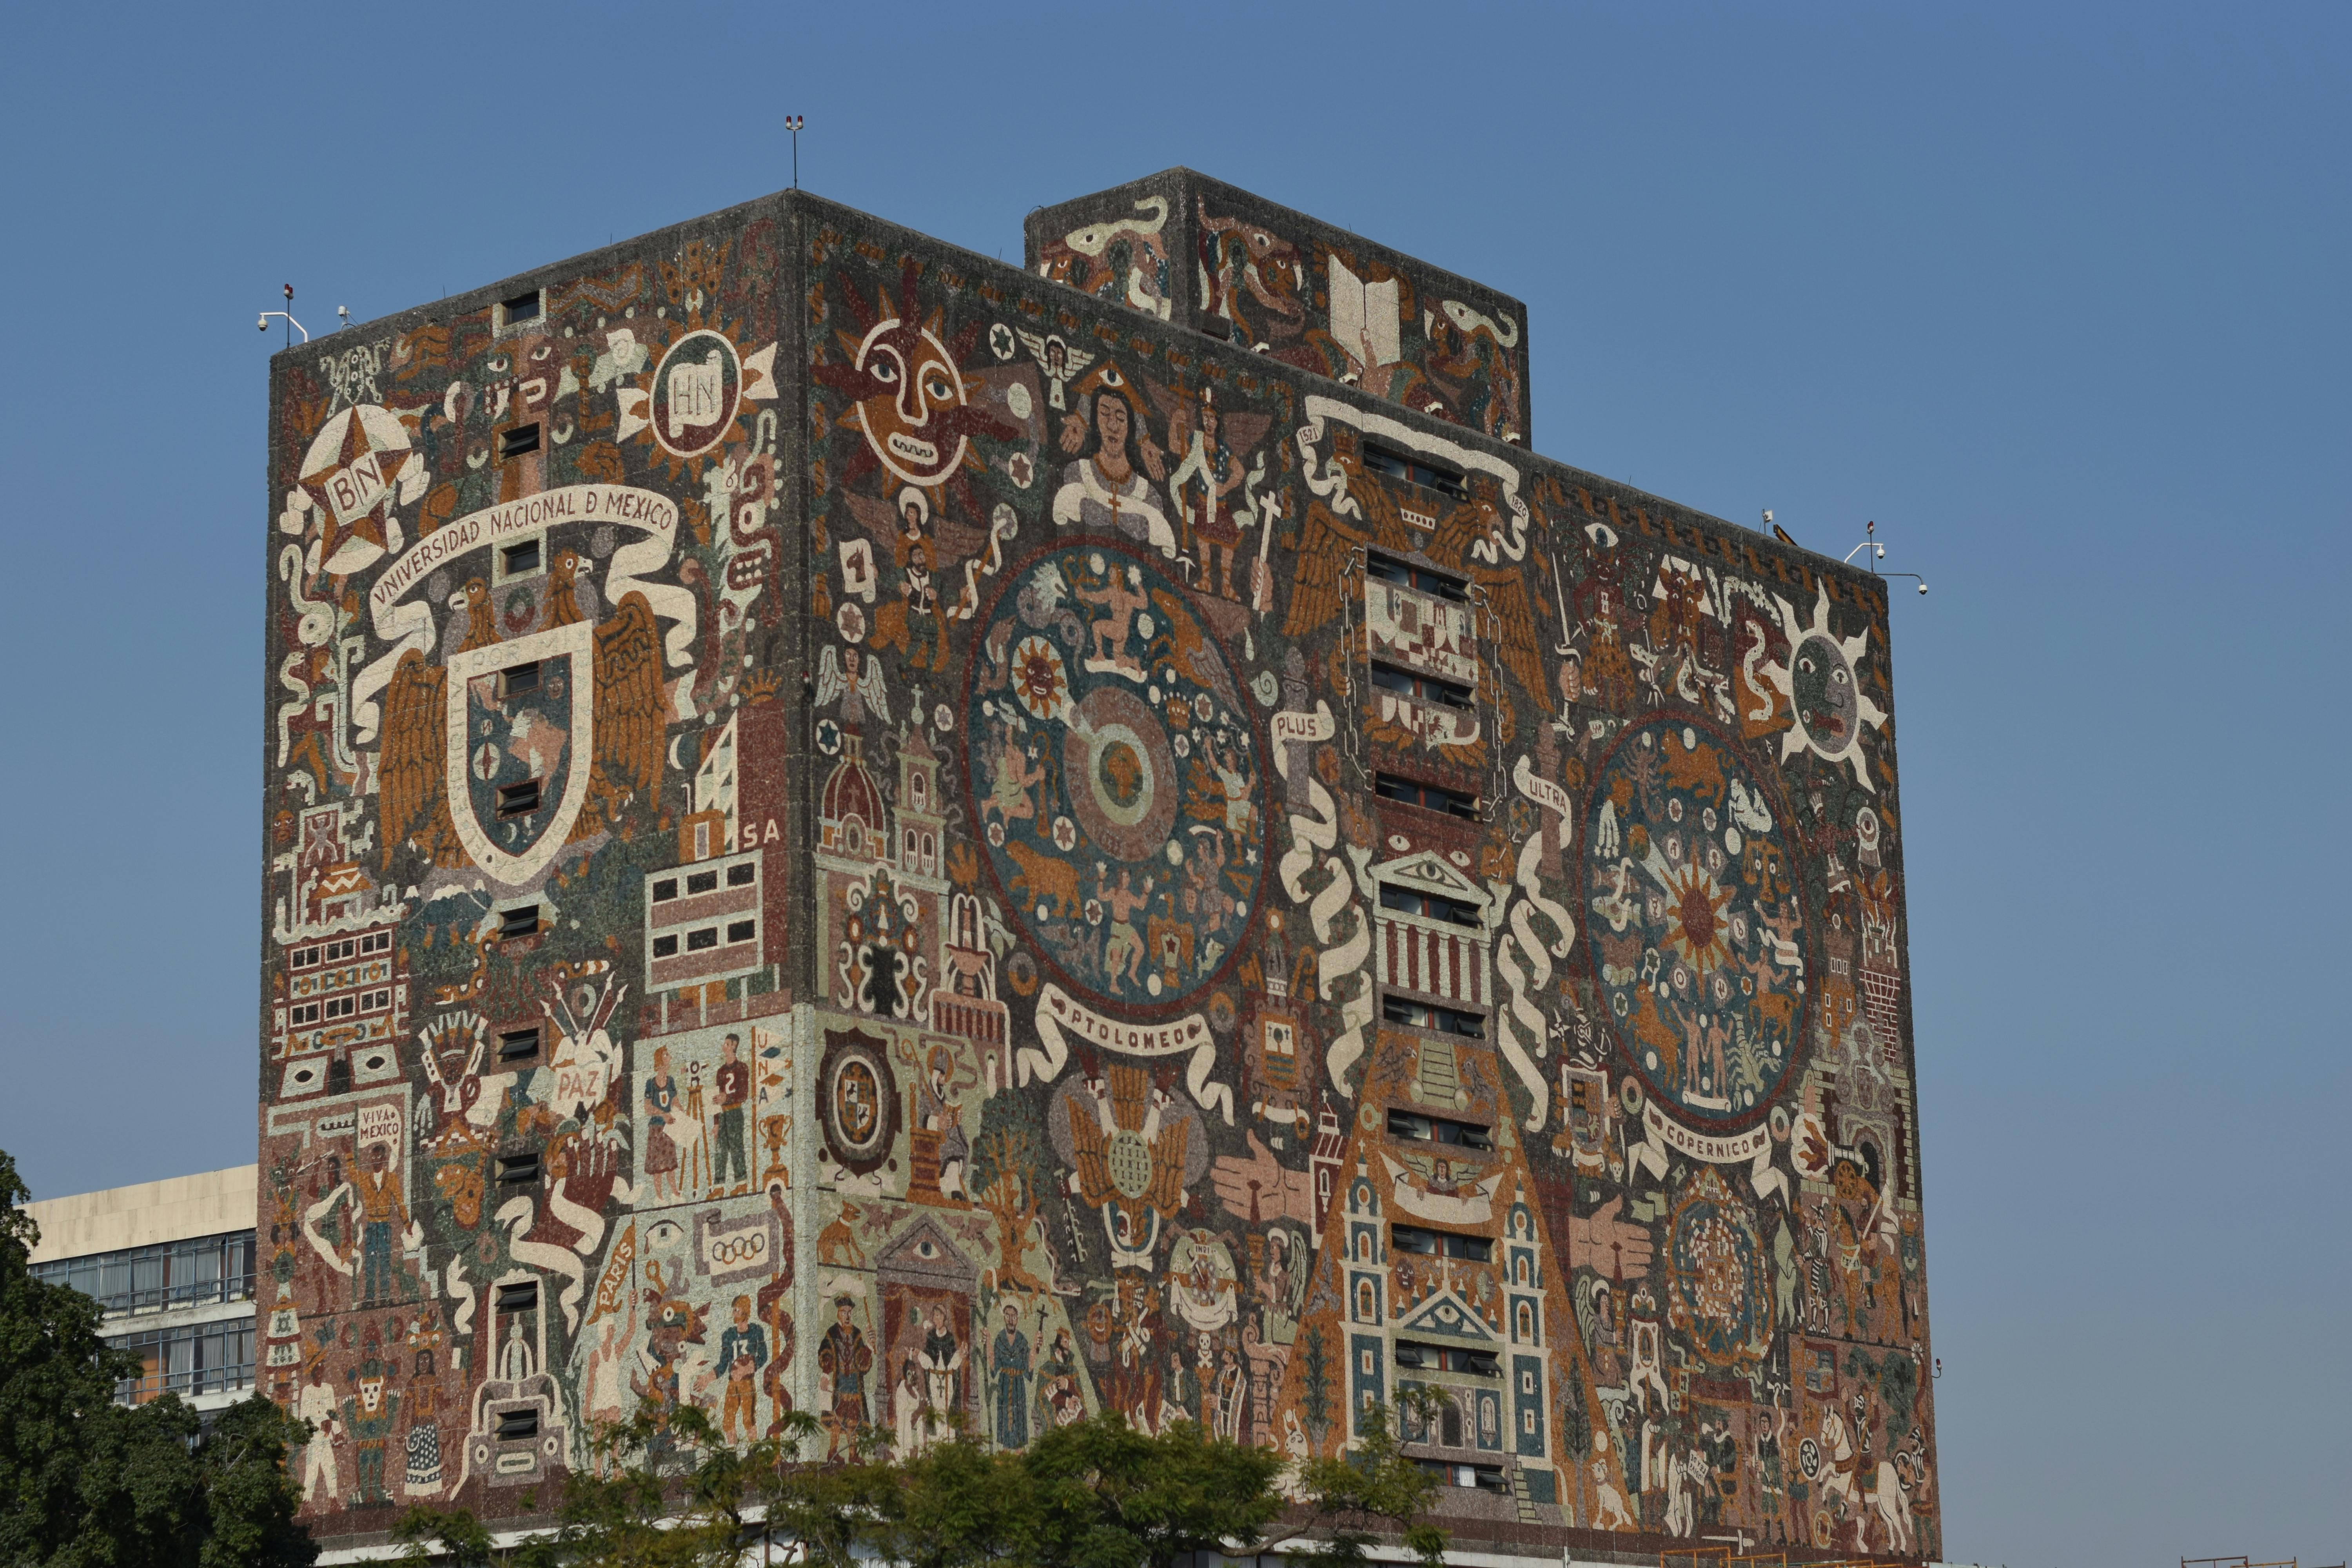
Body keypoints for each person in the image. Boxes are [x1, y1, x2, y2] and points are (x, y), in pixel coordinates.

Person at [817, 1297, 873, 1458]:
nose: (847, 1316)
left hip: (854, 1383)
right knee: (837, 1417)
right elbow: (825, 1354)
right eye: (844, 1312)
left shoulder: (857, 1334)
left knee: (853, 1419)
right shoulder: (832, 1333)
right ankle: (832, 1452)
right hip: (839, 1381)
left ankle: (853, 1454)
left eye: (850, 1312)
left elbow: (862, 1364)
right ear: (838, 1314)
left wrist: (869, 1347)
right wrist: (825, 1374)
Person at [716, 1294, 768, 1444]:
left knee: (748, 1419)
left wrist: (746, 1369)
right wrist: (707, 1378)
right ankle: (732, 1449)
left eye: (736, 1310)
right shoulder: (728, 1335)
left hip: (747, 1382)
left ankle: (754, 1450)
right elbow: (722, 1365)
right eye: (734, 1310)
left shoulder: (756, 1331)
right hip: (732, 1383)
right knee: (728, 1421)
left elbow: (763, 1356)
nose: (734, 1313)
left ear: (745, 1310)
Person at [989, 1302, 1033, 1450]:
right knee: (1004, 1414)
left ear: (1018, 1319)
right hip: (1004, 1383)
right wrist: (988, 1343)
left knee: (1019, 1414)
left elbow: (1028, 1367)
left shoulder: (1022, 1340)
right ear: (1004, 1318)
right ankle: (1005, 1450)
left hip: (1019, 1384)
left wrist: (1036, 1348)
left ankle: (1020, 1450)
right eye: (1008, 1316)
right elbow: (994, 1366)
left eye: (1014, 1317)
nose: (1011, 1320)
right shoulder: (1000, 1339)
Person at [711, 1035, 751, 1193]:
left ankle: (742, 1183)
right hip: (722, 1114)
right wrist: (716, 1123)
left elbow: (744, 1094)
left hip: (735, 1112)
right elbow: (716, 1099)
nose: (724, 1046)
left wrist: (727, 1098)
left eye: (727, 1044)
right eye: (724, 1044)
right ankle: (719, 1186)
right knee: (720, 1149)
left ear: (734, 1046)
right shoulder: (721, 1072)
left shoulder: (742, 1068)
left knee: (736, 1147)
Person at [642, 1047, 680, 1200]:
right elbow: (647, 1108)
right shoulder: (651, 1084)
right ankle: (659, 1196)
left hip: (669, 1127)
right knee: (658, 1167)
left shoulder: (671, 1081)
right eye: (666, 1055)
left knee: (671, 1165)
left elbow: (676, 1102)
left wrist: (685, 1117)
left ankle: (674, 1191)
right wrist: (663, 1114)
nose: (670, 1058)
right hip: (656, 1128)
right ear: (660, 1060)